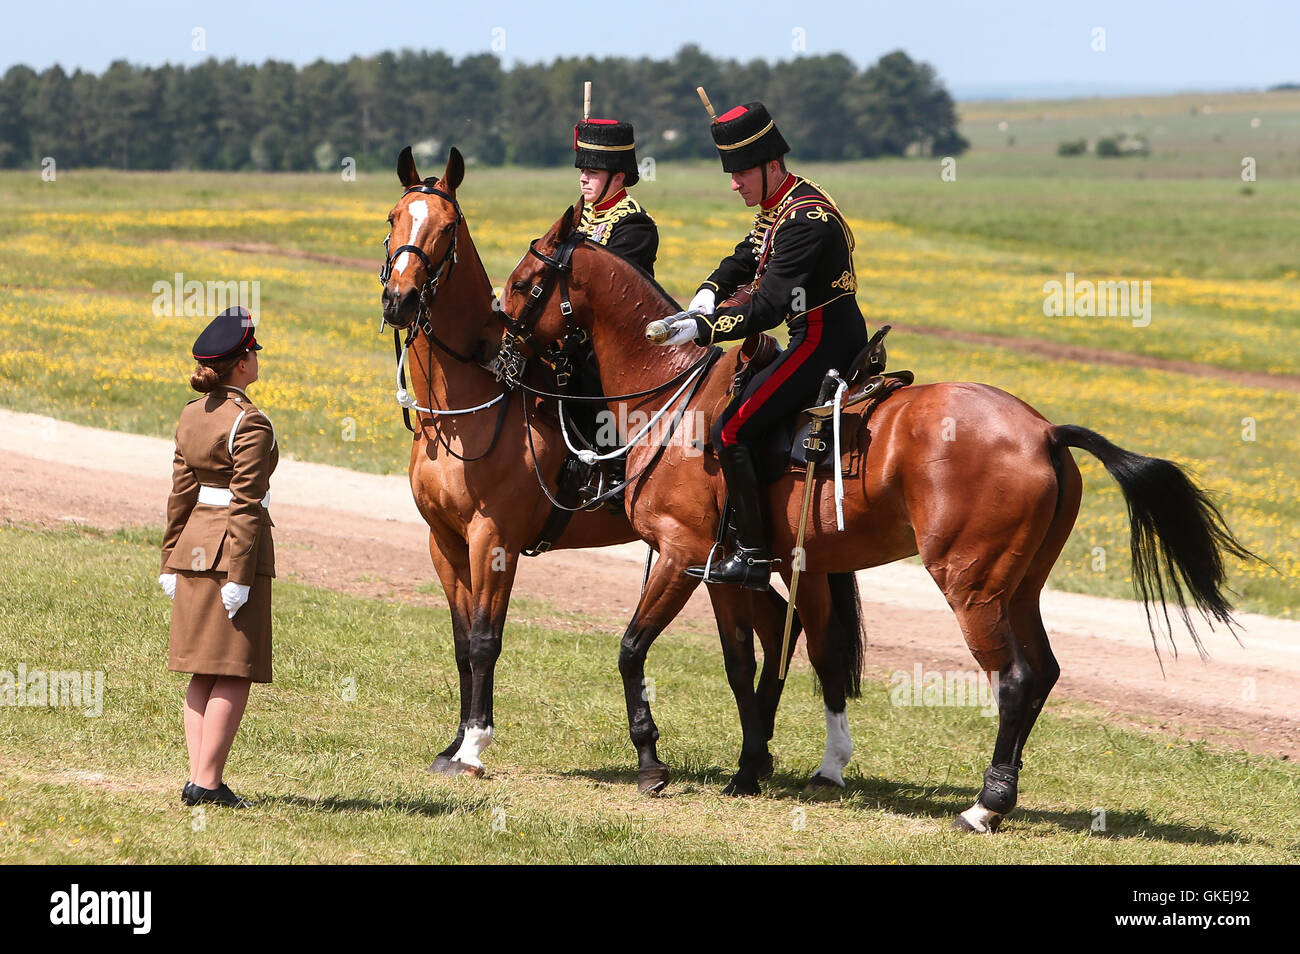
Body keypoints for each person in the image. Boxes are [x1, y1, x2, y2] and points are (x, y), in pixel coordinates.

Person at [655, 101, 869, 589]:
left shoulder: (805, 220)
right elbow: (746, 255)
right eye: (730, 173)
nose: (734, 183)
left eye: (741, 173)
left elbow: (770, 307)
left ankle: (751, 555)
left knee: (730, 430)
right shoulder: (782, 205)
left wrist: (701, 330)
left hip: (823, 340)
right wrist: (710, 290)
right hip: (814, 332)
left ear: (772, 165)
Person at [159, 305, 278, 808]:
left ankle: (198, 777)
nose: (255, 359)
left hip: (193, 547)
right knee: (232, 669)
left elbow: (179, 493)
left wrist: (169, 558)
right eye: (252, 353)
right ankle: (207, 783)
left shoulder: (192, 414)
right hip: (232, 549)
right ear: (242, 364)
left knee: (202, 669)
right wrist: (241, 575)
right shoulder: (251, 423)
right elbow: (246, 504)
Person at [573, 116, 658, 275]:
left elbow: (607, 279)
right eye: (582, 171)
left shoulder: (635, 225)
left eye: (592, 172)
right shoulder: (581, 213)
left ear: (618, 178)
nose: (583, 179)